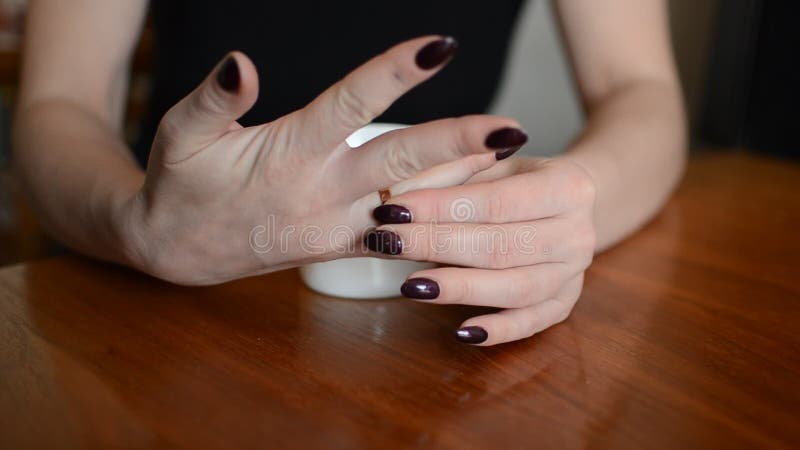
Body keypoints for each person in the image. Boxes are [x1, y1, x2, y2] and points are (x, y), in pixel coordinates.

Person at [12, 0, 685, 346]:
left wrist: (575, 200)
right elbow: (60, 99)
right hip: (149, 299)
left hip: (428, 307)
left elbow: (638, 87)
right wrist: (134, 227)